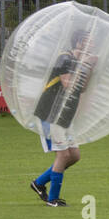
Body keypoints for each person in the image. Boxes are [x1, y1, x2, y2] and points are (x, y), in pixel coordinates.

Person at [29, 30, 94, 208]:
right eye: (89, 42)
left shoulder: (76, 62)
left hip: (64, 115)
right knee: (63, 154)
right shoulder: (64, 59)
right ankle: (53, 199)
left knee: (74, 156)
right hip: (51, 114)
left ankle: (39, 182)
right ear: (79, 43)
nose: (92, 46)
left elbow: (81, 88)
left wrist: (88, 68)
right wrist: (83, 64)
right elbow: (68, 85)